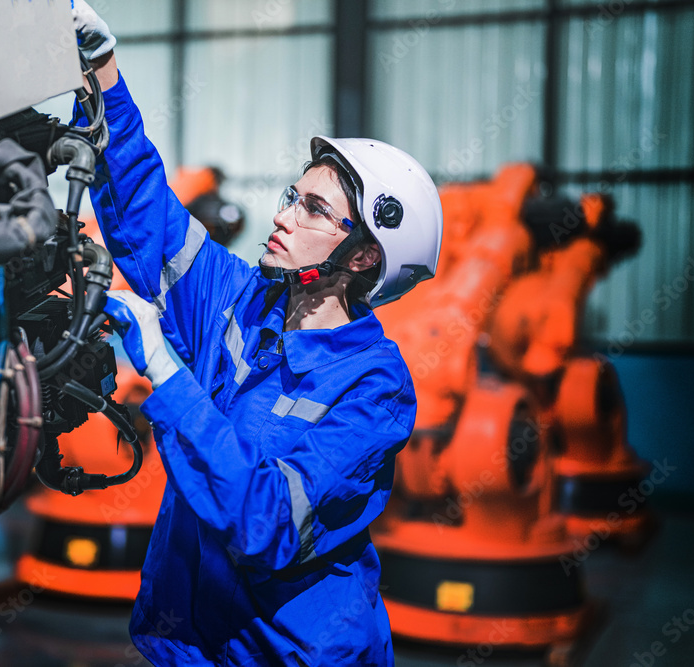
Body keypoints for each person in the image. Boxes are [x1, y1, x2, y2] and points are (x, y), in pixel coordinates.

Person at [72, 3, 443, 664]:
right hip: (187, 646)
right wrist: (100, 72)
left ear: (364, 256)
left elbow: (267, 522)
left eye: (313, 209)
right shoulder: (238, 301)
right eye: (292, 196)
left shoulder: (376, 391)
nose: (284, 216)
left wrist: (166, 375)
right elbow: (145, 212)